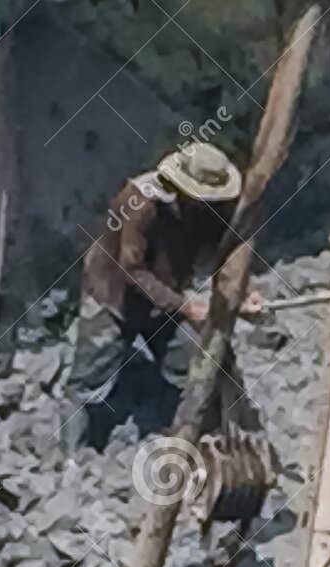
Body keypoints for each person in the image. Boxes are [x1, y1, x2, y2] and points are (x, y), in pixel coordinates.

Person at [62, 140, 263, 456]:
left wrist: (243, 292)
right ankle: (69, 459)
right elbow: (132, 270)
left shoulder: (207, 209)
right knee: (87, 381)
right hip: (113, 295)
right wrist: (185, 306)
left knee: (195, 366)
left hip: (165, 297)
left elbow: (221, 250)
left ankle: (205, 443)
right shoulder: (139, 204)